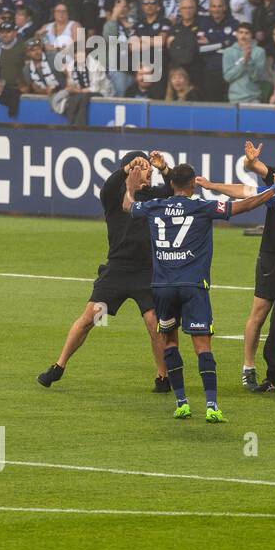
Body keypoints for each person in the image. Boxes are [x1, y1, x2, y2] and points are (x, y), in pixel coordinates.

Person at [125, 162, 275, 422]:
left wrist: (129, 188)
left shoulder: (154, 206)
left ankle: (182, 402)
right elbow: (244, 205)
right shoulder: (202, 207)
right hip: (193, 286)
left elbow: (128, 206)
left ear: (171, 184)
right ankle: (211, 406)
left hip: (162, 287)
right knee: (202, 346)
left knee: (169, 341)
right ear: (193, 184)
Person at [37, 151, 174, 393]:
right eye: (144, 168)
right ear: (131, 171)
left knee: (153, 323)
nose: (149, 172)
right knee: (92, 317)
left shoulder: (153, 196)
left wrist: (164, 169)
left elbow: (174, 189)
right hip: (117, 272)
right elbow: (109, 185)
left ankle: (162, 377)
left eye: (149, 169)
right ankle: (58, 366)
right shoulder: (113, 197)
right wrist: (127, 168)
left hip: (146, 272)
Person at [194, 141, 275, 392]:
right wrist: (215, 184)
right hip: (272, 257)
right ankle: (248, 367)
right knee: (259, 313)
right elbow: (246, 188)